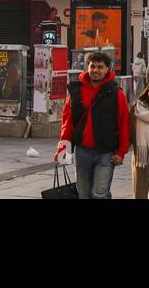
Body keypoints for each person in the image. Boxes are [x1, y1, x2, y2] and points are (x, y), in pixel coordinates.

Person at [54, 51, 130, 199]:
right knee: (83, 194)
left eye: (100, 67)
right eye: (92, 66)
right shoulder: (76, 91)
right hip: (82, 151)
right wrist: (62, 149)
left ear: (108, 69)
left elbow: (124, 123)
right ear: (87, 67)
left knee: (99, 193)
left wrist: (121, 152)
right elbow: (68, 122)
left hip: (106, 152)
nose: (95, 70)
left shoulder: (116, 94)